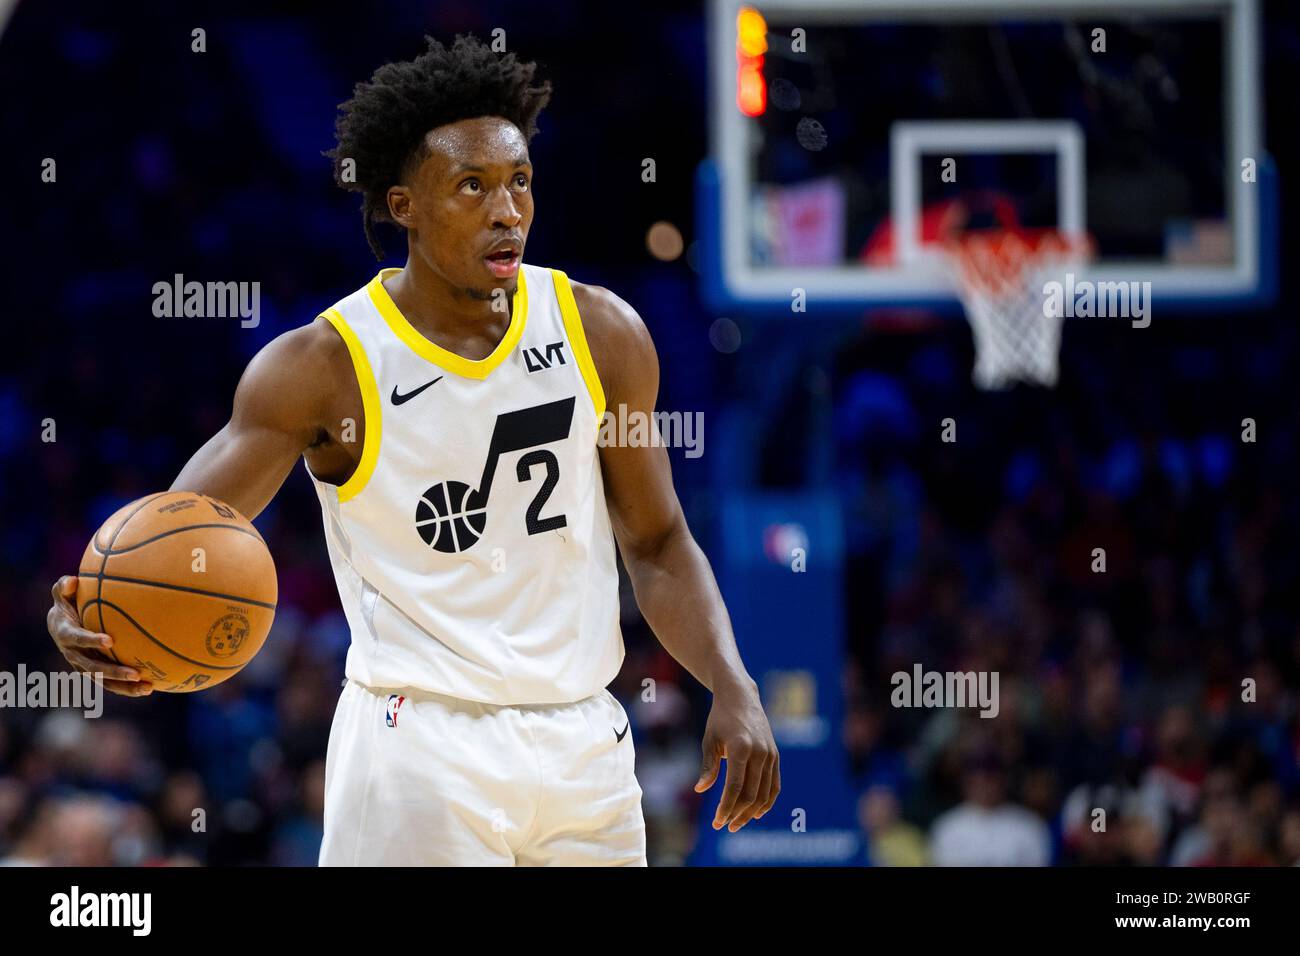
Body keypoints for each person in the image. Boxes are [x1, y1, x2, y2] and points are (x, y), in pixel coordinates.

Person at [44, 34, 779, 866]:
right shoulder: (322, 367)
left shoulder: (602, 332)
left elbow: (655, 542)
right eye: (473, 186)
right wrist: (100, 613)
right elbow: (181, 540)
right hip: (418, 746)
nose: (508, 211)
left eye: (519, 181)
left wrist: (733, 679)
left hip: (585, 744)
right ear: (404, 206)